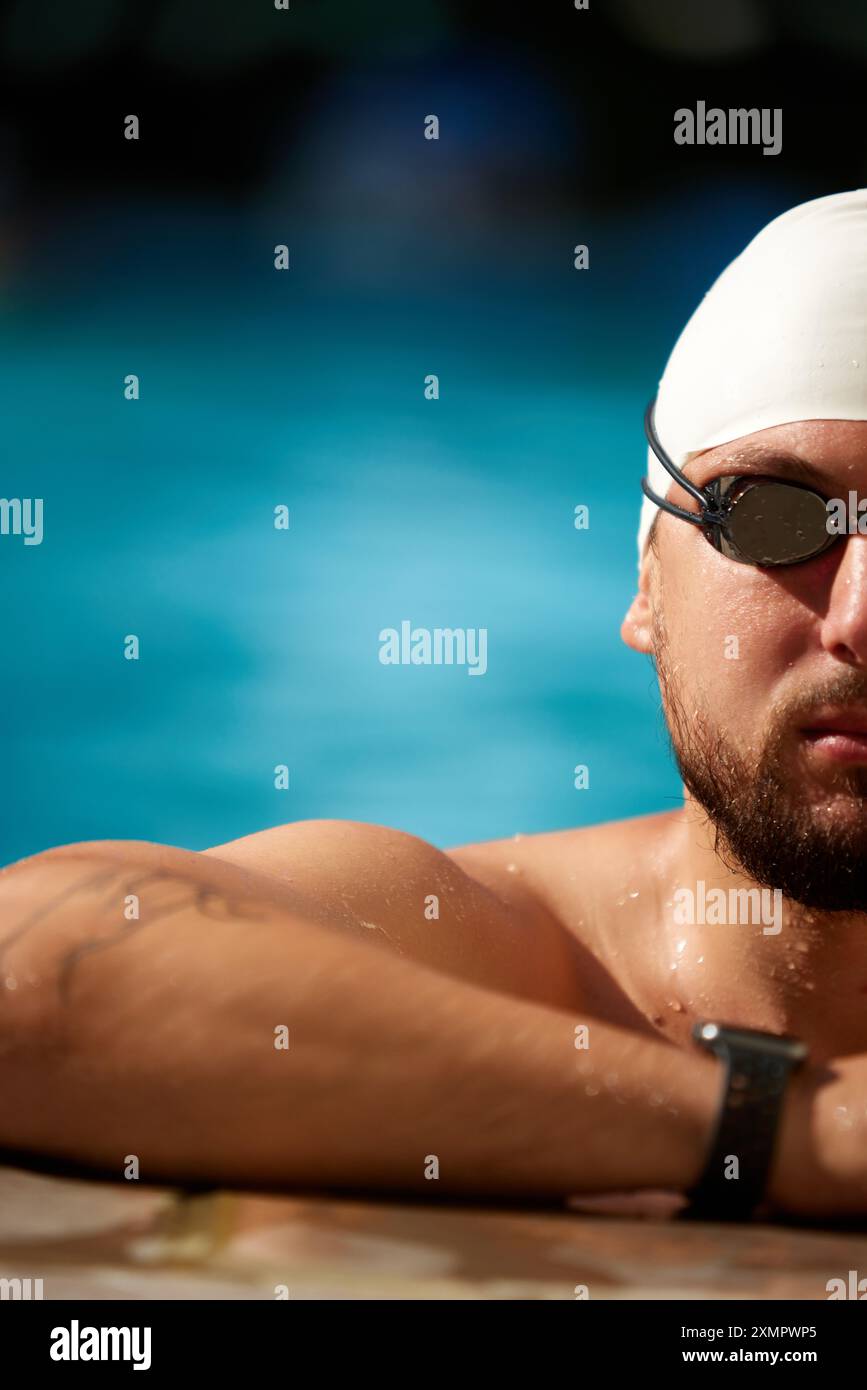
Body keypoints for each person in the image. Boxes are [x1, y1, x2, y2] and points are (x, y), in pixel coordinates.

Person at [4, 190, 867, 1223]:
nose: (858, 616)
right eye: (772, 513)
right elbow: (36, 969)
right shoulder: (500, 951)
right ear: (647, 586)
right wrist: (789, 1130)